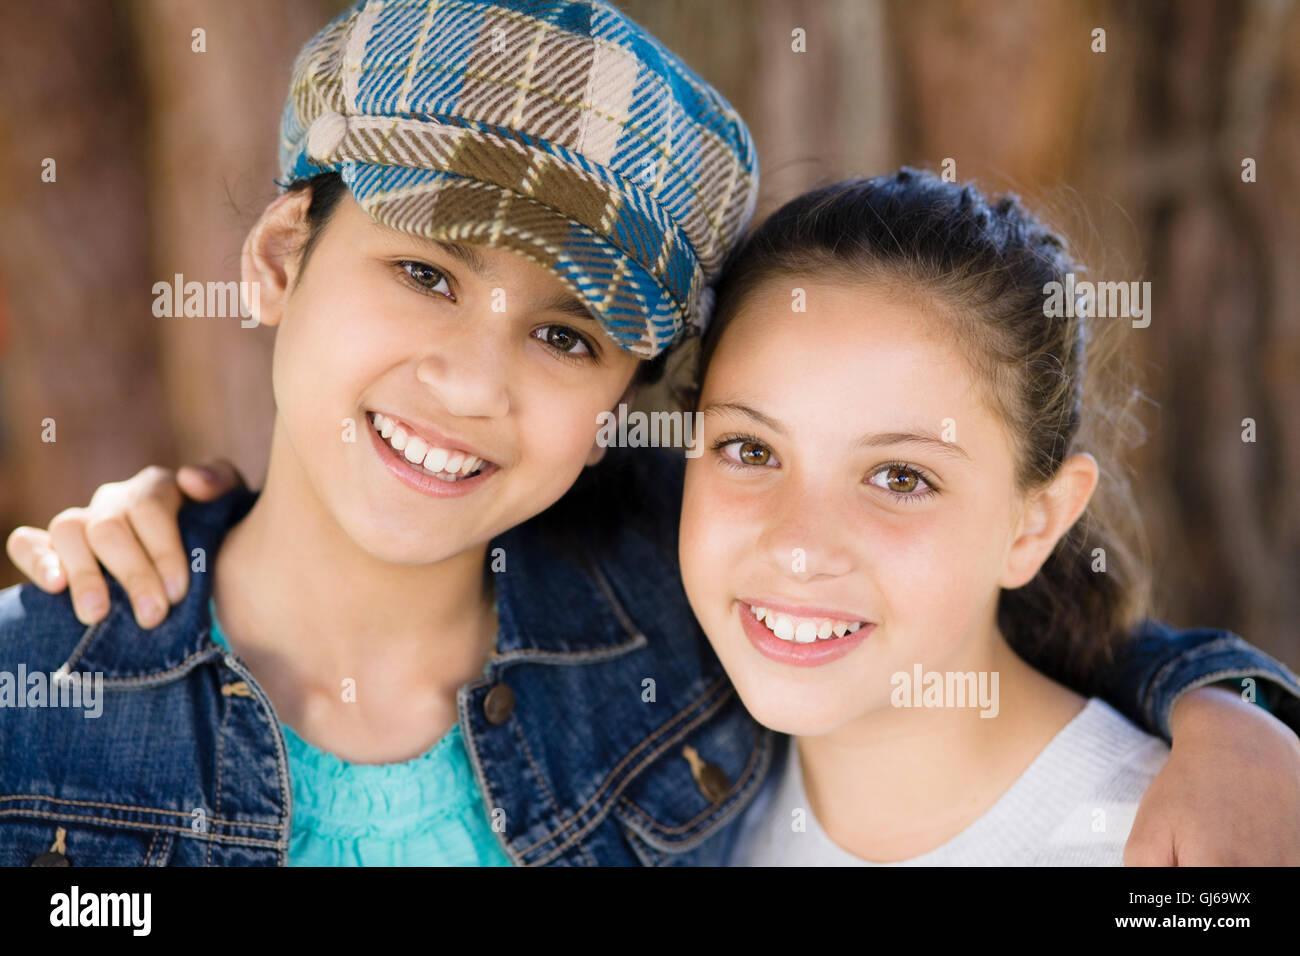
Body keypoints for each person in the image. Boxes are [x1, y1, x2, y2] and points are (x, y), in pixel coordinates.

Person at [7, 7, 1300, 866]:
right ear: (283, 256)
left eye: (567, 336)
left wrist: (1234, 710)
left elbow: (980, 615)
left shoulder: (675, 629)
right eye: (426, 274)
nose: (468, 381)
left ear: (628, 397)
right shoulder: (38, 712)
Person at [675, 170, 1300, 864]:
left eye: (900, 477)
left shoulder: (1195, 854)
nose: (799, 545)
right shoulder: (677, 809)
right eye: (751, 449)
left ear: (1035, 524)